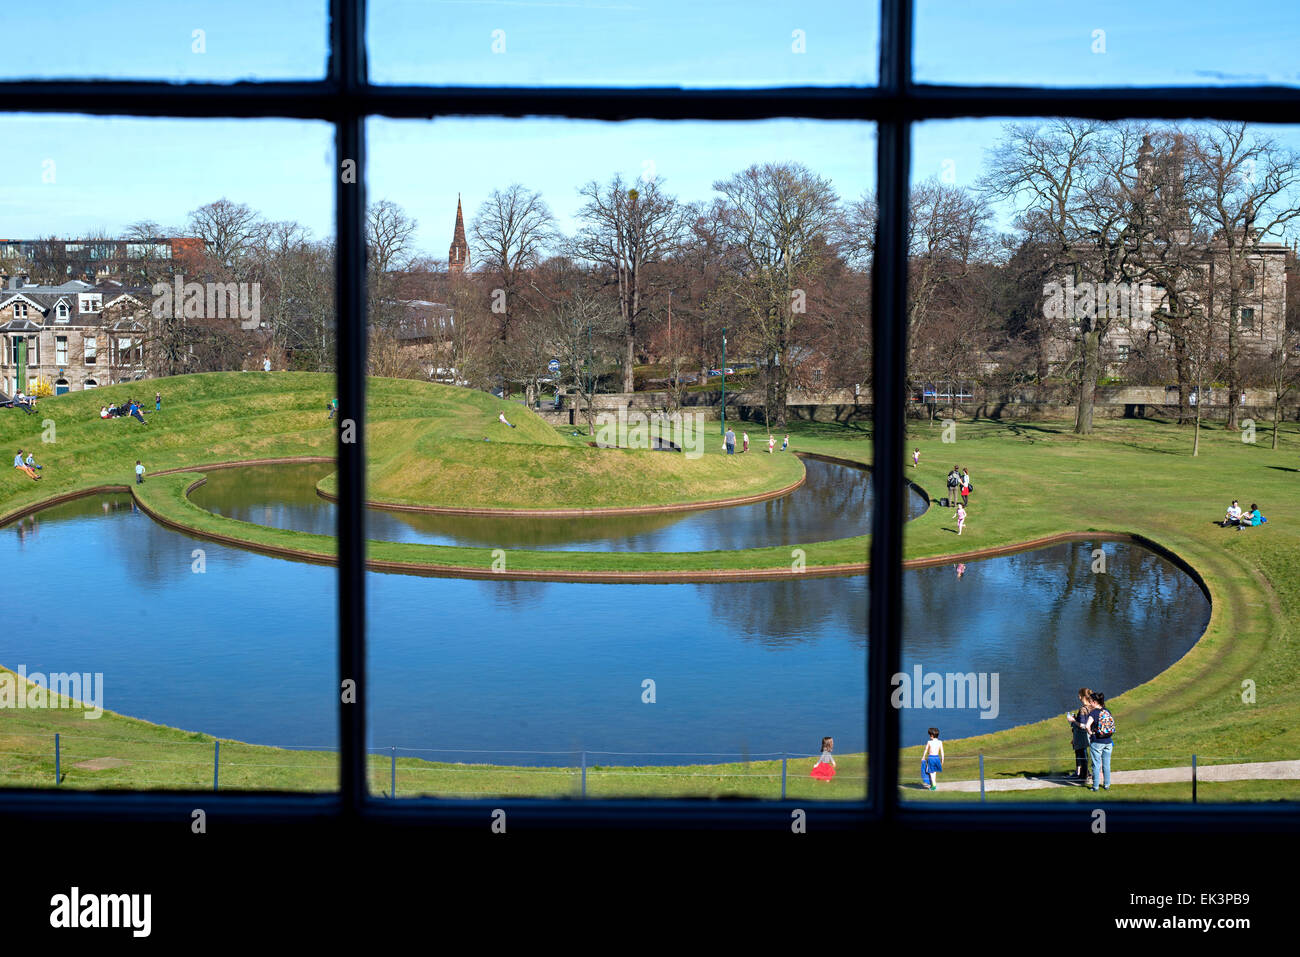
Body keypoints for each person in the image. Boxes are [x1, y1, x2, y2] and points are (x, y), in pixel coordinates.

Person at [1082, 691, 1115, 791]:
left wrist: (1091, 733)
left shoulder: (1094, 713)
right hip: (1108, 741)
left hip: (1097, 742)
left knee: (1096, 765)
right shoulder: (1107, 711)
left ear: (1094, 702)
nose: (1089, 703)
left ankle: (1095, 786)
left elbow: (1087, 726)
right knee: (1106, 764)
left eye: (1090, 701)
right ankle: (1107, 785)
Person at [1066, 687, 1094, 782]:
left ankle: (1083, 774)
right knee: (1087, 754)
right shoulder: (1093, 707)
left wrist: (1073, 720)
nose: (1078, 697)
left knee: (1082, 754)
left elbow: (1083, 725)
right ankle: (1087, 773)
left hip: (1082, 735)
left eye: (1079, 695)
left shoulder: (1083, 709)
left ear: (1083, 696)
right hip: (1092, 734)